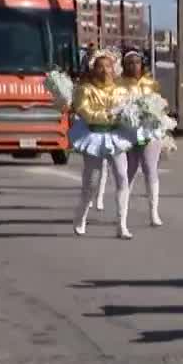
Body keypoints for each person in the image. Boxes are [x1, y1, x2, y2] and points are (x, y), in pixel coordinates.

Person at [70, 48, 135, 239]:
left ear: (114, 69)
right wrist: (107, 115)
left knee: (122, 177)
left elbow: (129, 111)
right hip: (94, 136)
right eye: (100, 66)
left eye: (108, 66)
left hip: (115, 137)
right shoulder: (85, 89)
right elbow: (84, 112)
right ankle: (81, 217)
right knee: (91, 183)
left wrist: (132, 118)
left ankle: (122, 224)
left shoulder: (122, 90)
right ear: (93, 69)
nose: (105, 70)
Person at [119, 50, 165, 227]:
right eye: (130, 63)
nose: (134, 66)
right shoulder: (118, 84)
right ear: (124, 65)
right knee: (127, 172)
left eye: (137, 62)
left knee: (150, 168)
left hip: (149, 132)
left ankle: (154, 212)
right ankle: (123, 214)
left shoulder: (150, 83)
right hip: (128, 133)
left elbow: (160, 105)